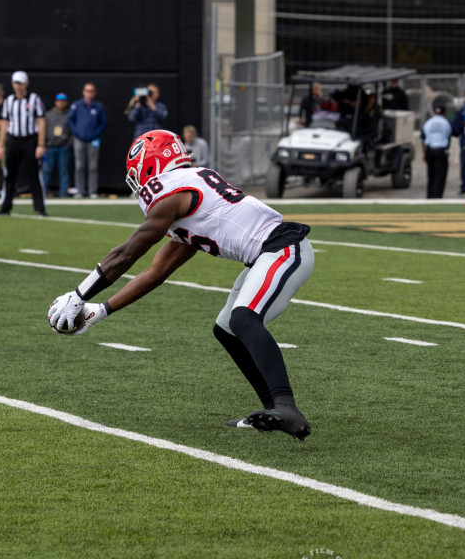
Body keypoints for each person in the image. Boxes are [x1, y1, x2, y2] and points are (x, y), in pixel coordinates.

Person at [47, 129, 314, 441]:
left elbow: (127, 253)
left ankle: (287, 407)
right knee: (227, 329)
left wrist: (79, 294)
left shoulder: (172, 191)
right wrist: (100, 311)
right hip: (267, 255)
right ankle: (272, 410)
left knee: (243, 318)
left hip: (283, 249)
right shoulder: (190, 198)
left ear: (150, 166)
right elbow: (156, 271)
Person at [0, 70, 47, 217]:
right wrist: (0, 145)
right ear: (12, 84)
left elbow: (41, 122)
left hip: (29, 140)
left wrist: (41, 145)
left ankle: (40, 208)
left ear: (26, 84)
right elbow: (5, 124)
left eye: (20, 83)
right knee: (9, 174)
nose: (18, 86)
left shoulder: (34, 99)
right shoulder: (9, 101)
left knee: (34, 174)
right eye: (16, 83)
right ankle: (5, 207)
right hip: (13, 140)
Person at [66, 82, 105, 198]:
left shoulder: (98, 106)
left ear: (95, 93)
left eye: (91, 91)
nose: (89, 93)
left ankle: (92, 191)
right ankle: (80, 190)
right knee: (79, 166)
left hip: (93, 140)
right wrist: (77, 133)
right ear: (83, 92)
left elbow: (103, 122)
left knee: (93, 166)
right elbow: (70, 120)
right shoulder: (76, 105)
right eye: (87, 91)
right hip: (79, 139)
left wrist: (95, 134)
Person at [42, 92, 73, 198]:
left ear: (66, 103)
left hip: (63, 147)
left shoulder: (70, 115)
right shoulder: (48, 115)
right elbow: (43, 130)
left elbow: (73, 131)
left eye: (63, 101)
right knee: (46, 170)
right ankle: (43, 192)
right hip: (49, 147)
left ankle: (64, 193)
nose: (61, 103)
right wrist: (43, 144)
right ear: (55, 102)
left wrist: (68, 144)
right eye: (59, 101)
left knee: (64, 170)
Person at [421, 103, 451, 199]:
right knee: (440, 175)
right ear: (444, 113)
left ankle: (429, 196)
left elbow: (422, 139)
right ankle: (437, 197)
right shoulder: (446, 122)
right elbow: (452, 134)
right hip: (441, 150)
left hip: (430, 150)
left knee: (431, 174)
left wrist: (424, 152)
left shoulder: (428, 122)